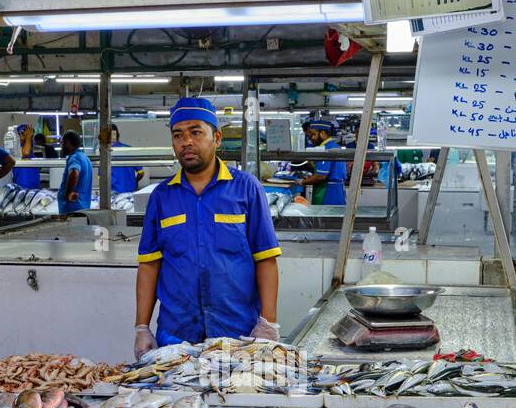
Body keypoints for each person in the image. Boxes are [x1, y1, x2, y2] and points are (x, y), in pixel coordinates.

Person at [134, 96, 281, 359]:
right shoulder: (161, 196)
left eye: (196, 132)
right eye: (177, 135)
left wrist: (268, 322)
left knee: (236, 399)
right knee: (178, 399)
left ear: (217, 137)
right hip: (176, 333)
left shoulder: (246, 189)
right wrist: (142, 327)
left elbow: (266, 258)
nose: (186, 141)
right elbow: (149, 264)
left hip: (238, 332)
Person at [300, 117, 347, 205]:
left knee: (326, 217)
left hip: (328, 193)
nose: (312, 138)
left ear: (322, 133)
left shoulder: (325, 149)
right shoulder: (334, 146)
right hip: (338, 190)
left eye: (314, 134)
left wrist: (301, 182)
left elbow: (321, 176)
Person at [58, 130, 93, 213]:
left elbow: (74, 174)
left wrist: (67, 194)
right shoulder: (84, 157)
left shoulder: (74, 158)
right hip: (82, 206)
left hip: (72, 208)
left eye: (62, 143)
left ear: (68, 143)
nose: (61, 146)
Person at [109, 124, 145, 195]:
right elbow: (141, 173)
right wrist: (135, 181)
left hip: (114, 193)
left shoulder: (106, 153)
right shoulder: (129, 150)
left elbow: (101, 177)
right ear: (118, 135)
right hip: (131, 192)